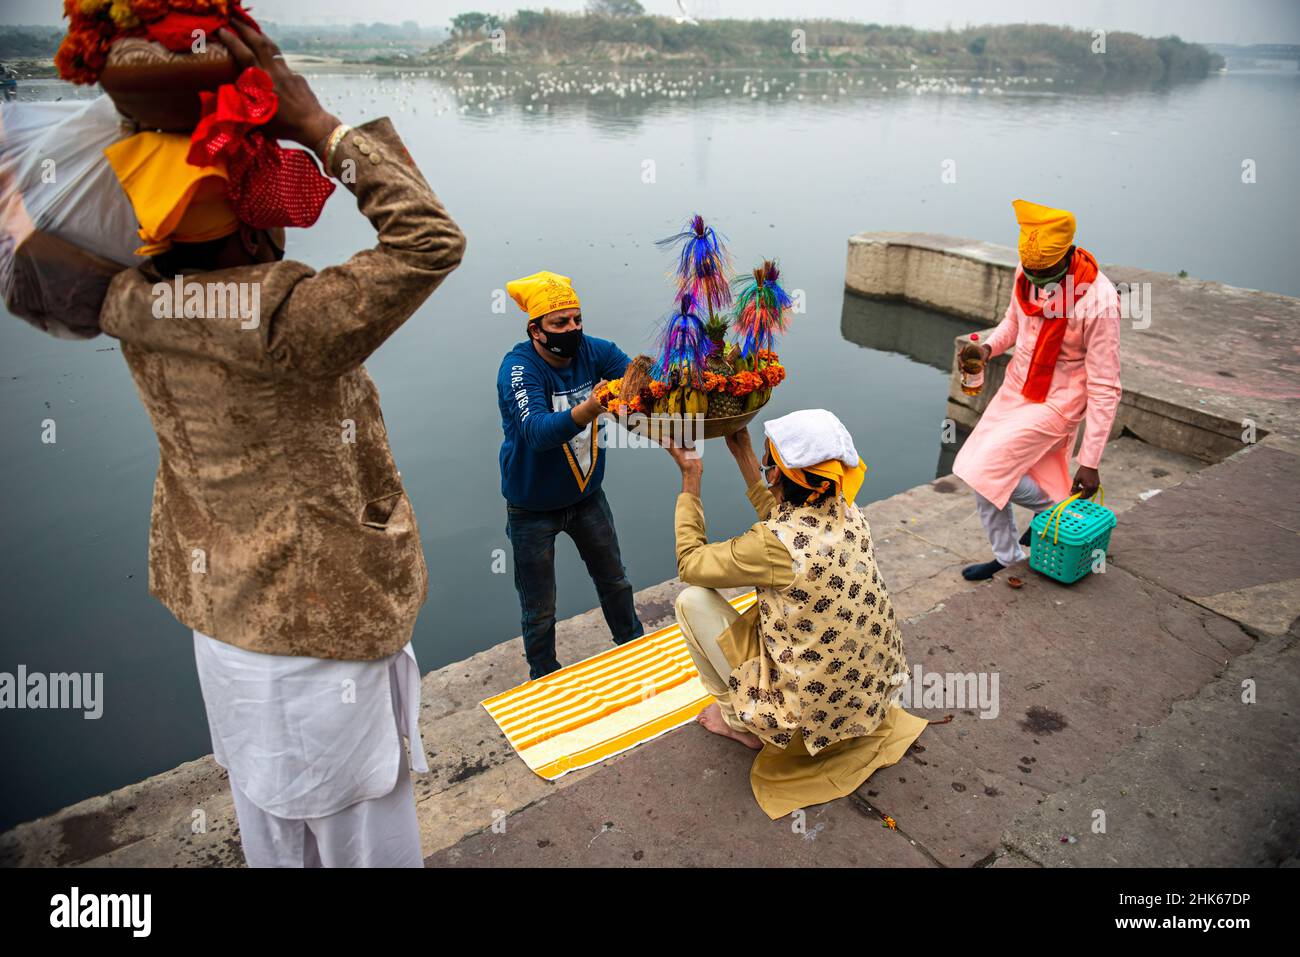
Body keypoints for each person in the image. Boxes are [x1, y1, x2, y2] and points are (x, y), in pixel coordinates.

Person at [97, 21, 466, 866]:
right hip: (320, 638)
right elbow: (430, 240)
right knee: (362, 842)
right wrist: (319, 128)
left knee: (272, 836)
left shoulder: (127, 304)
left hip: (224, 627)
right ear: (254, 233)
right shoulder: (284, 324)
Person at [661, 410, 929, 819]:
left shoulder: (773, 547)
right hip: (866, 707)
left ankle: (739, 723)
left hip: (807, 727)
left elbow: (690, 563)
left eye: (769, 464)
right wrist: (744, 453)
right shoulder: (849, 511)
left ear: (776, 476)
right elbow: (786, 519)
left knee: (692, 601)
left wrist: (691, 479)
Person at [952, 199, 1122, 580]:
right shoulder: (1028, 272)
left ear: (1066, 258)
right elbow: (1013, 324)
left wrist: (1090, 461)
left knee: (984, 468)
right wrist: (988, 348)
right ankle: (1009, 555)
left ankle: (1058, 509)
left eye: (1044, 273)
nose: (1035, 280)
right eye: (1030, 271)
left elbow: (1106, 386)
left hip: (1059, 400)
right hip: (1017, 387)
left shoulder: (1099, 300)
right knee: (981, 472)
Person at [497, 271, 645, 680]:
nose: (572, 329)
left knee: (615, 581)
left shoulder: (596, 352)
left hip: (587, 497)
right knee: (540, 608)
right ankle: (544, 677)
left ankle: (635, 650)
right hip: (531, 507)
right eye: (560, 324)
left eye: (577, 319)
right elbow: (537, 432)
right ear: (536, 331)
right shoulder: (518, 369)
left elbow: (638, 384)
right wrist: (595, 405)